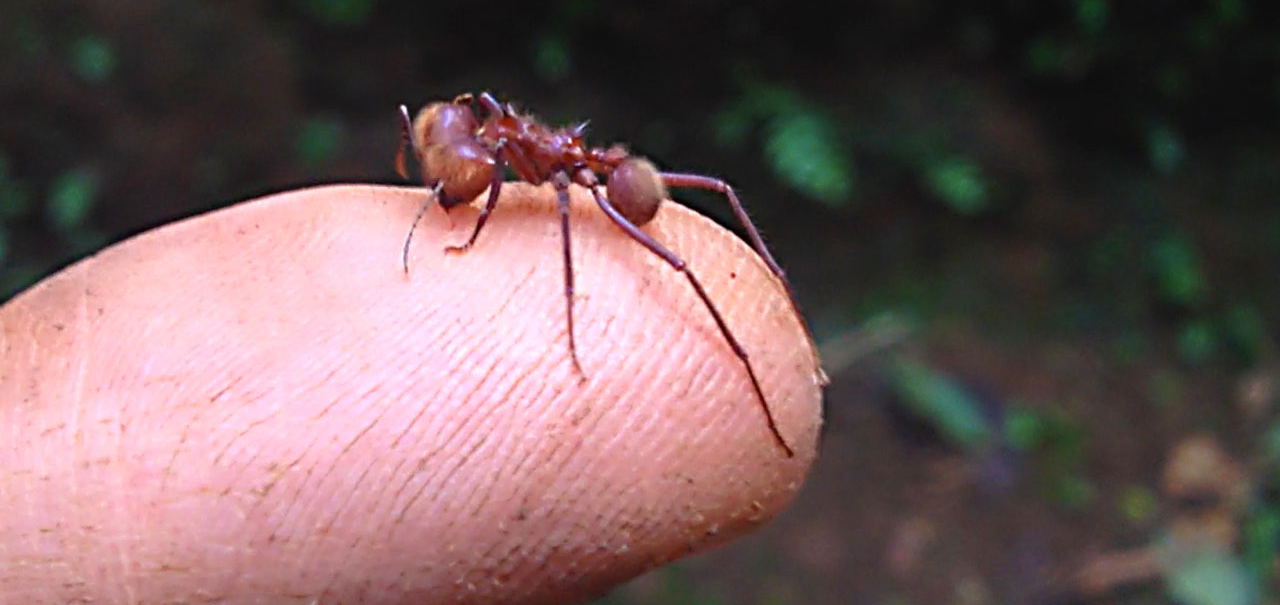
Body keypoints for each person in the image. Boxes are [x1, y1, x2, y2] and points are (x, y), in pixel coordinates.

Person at [0, 183, 820, 604]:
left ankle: (751, 348)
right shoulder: (512, 161)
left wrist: (568, 322)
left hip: (609, 197)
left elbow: (556, 196)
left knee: (677, 255)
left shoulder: (569, 183)